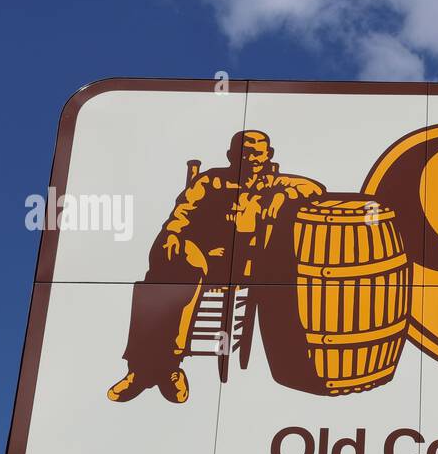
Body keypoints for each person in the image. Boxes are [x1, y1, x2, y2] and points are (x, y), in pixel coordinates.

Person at [106, 130, 324, 403]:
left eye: (258, 153)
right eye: (245, 152)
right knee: (165, 274)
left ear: (268, 156)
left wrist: (282, 198)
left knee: (176, 280)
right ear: (232, 156)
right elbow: (181, 213)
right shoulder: (211, 180)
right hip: (198, 256)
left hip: (242, 265)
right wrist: (173, 234)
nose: (252, 158)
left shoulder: (276, 185)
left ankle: (164, 368)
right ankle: (142, 370)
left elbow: (314, 189)